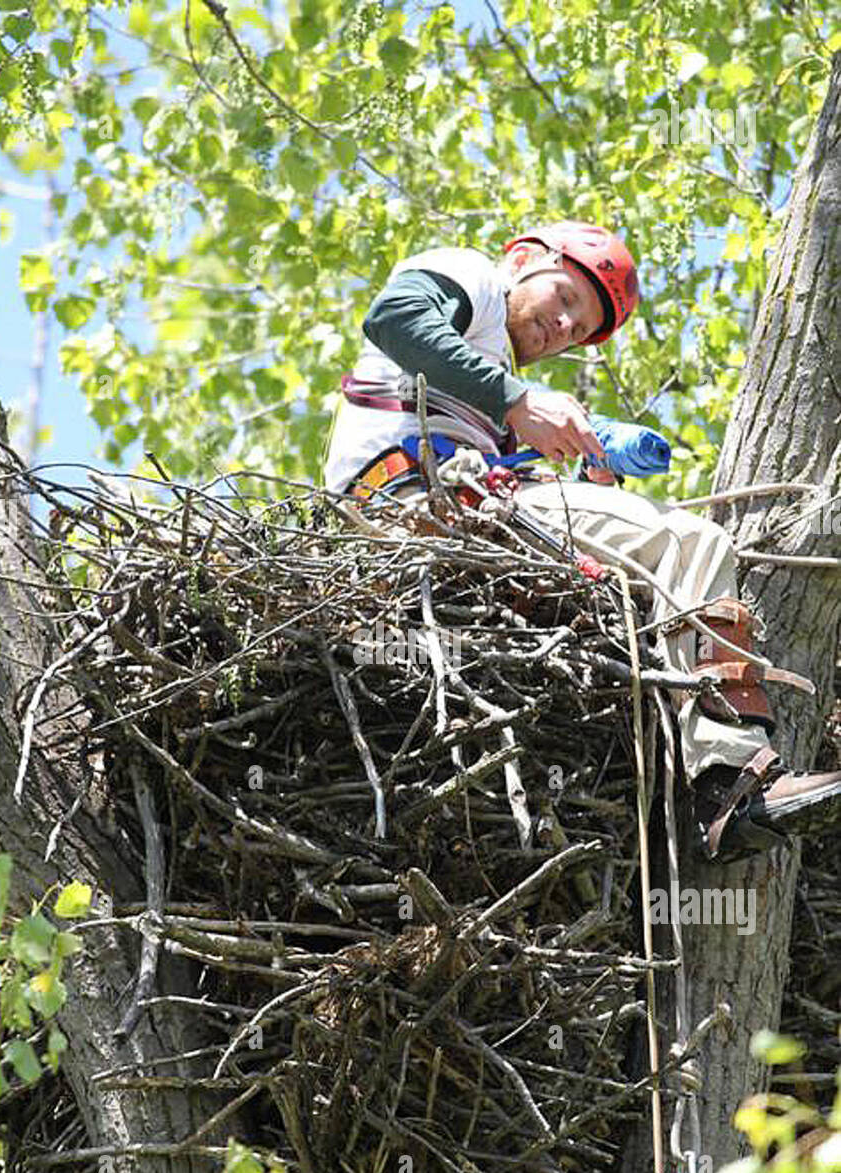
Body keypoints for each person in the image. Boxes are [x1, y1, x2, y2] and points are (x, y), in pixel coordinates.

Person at [324, 222, 841, 862]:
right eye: (567, 300)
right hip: (420, 501)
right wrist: (518, 402)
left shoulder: (487, 391)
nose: (565, 328)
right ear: (523, 259)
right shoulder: (474, 278)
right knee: (692, 544)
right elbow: (393, 318)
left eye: (580, 328)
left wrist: (590, 476)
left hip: (454, 512)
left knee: (646, 586)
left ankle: (690, 772)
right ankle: (728, 786)